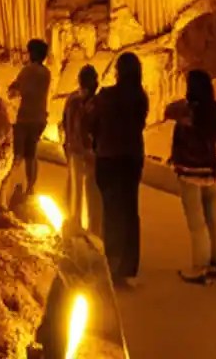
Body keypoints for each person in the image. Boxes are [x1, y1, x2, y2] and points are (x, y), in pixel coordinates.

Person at [165, 69, 216, 284]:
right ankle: (215, 263)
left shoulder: (188, 111)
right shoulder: (214, 109)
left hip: (190, 172)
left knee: (196, 221)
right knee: (213, 217)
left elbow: (167, 110)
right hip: (210, 172)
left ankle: (200, 266)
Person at [92, 52, 148, 287]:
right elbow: (140, 123)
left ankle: (111, 263)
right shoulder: (140, 97)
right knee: (129, 210)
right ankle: (127, 265)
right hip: (132, 156)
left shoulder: (106, 96)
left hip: (109, 156)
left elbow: (94, 123)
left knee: (111, 210)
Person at [7, 38, 51, 199]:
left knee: (17, 154)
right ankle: (30, 189)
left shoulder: (27, 71)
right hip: (39, 118)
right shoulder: (46, 73)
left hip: (26, 117)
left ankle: (8, 189)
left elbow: (15, 89)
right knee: (31, 154)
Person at [61, 65, 102, 236]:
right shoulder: (95, 102)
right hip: (84, 152)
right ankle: (87, 229)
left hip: (77, 151)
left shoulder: (73, 100)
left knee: (76, 190)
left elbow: (65, 123)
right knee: (88, 193)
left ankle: (75, 224)